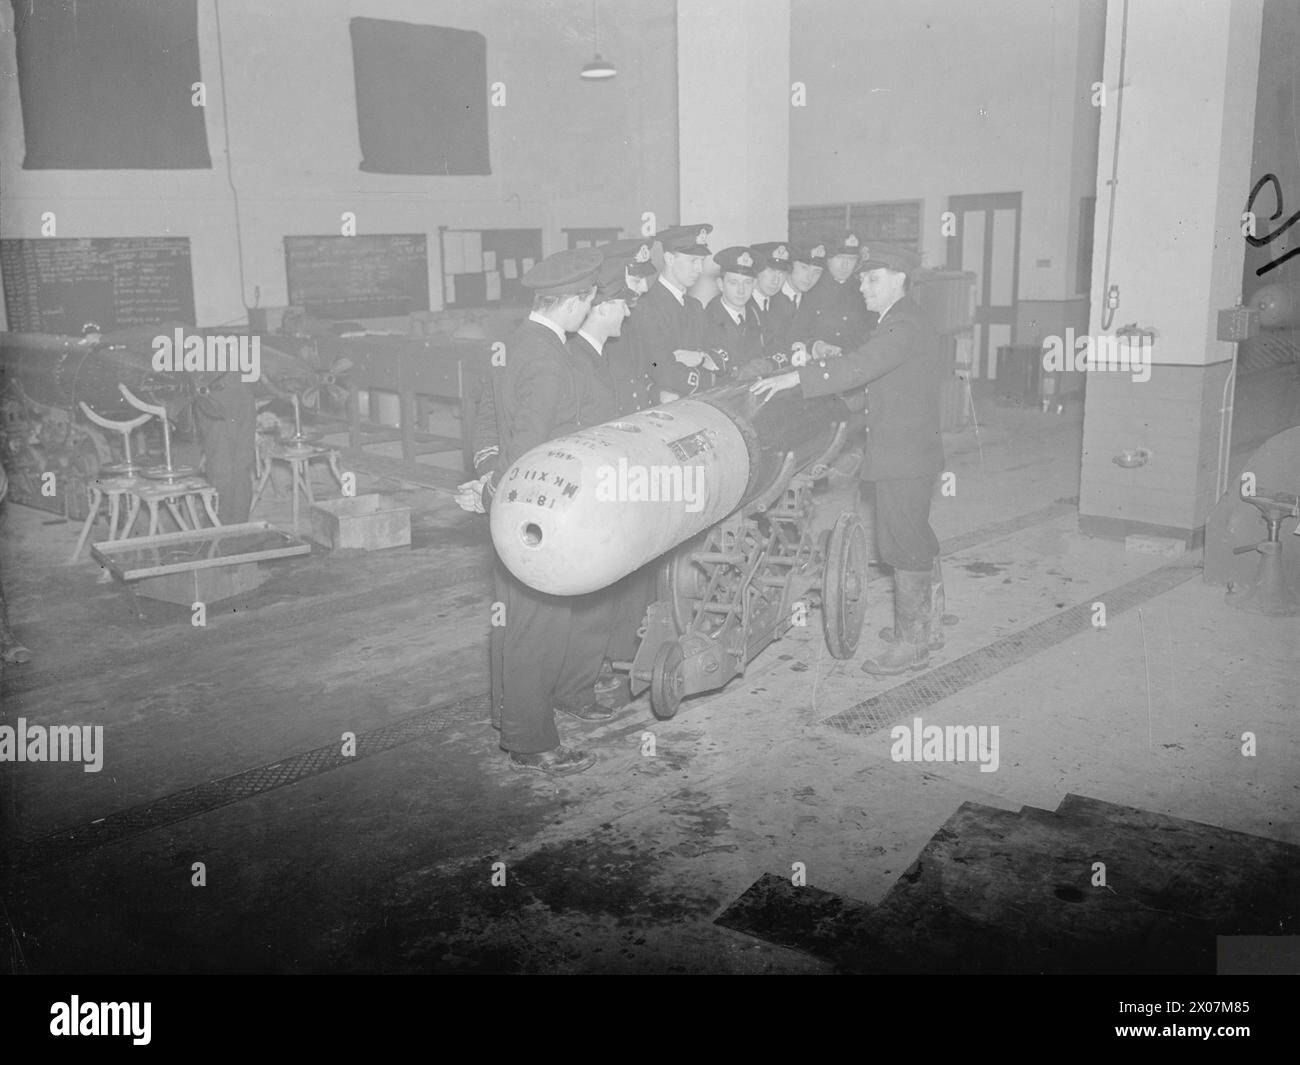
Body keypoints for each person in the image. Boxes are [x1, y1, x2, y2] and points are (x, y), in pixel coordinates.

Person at [749, 244, 946, 676]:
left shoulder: (903, 324)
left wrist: (796, 378)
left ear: (898, 279)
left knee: (902, 541)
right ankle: (925, 630)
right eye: (860, 280)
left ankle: (912, 645)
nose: (863, 287)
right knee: (912, 533)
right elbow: (872, 377)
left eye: (872, 279)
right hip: (909, 449)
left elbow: (862, 367)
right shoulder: (898, 320)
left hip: (904, 453)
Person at [456, 248, 604, 776]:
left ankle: (510, 716)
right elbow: (528, 441)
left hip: (514, 504)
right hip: (538, 511)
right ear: (579, 299)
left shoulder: (515, 342)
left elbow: (488, 419)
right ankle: (533, 741)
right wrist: (503, 490)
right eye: (591, 299)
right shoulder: (548, 357)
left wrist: (488, 474)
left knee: (515, 618)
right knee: (538, 626)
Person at [635, 223, 719, 402]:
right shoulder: (646, 306)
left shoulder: (695, 306)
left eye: (701, 262)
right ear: (669, 259)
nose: (699, 269)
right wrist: (709, 376)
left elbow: (715, 351)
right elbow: (659, 368)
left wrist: (700, 358)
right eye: (693, 261)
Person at [596, 236, 658, 413]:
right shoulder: (600, 330)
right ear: (614, 279)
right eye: (637, 280)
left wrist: (655, 390)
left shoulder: (633, 320)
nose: (645, 288)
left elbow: (648, 366)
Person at [700, 246, 767, 377]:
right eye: (733, 282)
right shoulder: (705, 318)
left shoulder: (757, 314)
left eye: (747, 283)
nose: (741, 290)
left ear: (754, 285)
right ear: (720, 284)